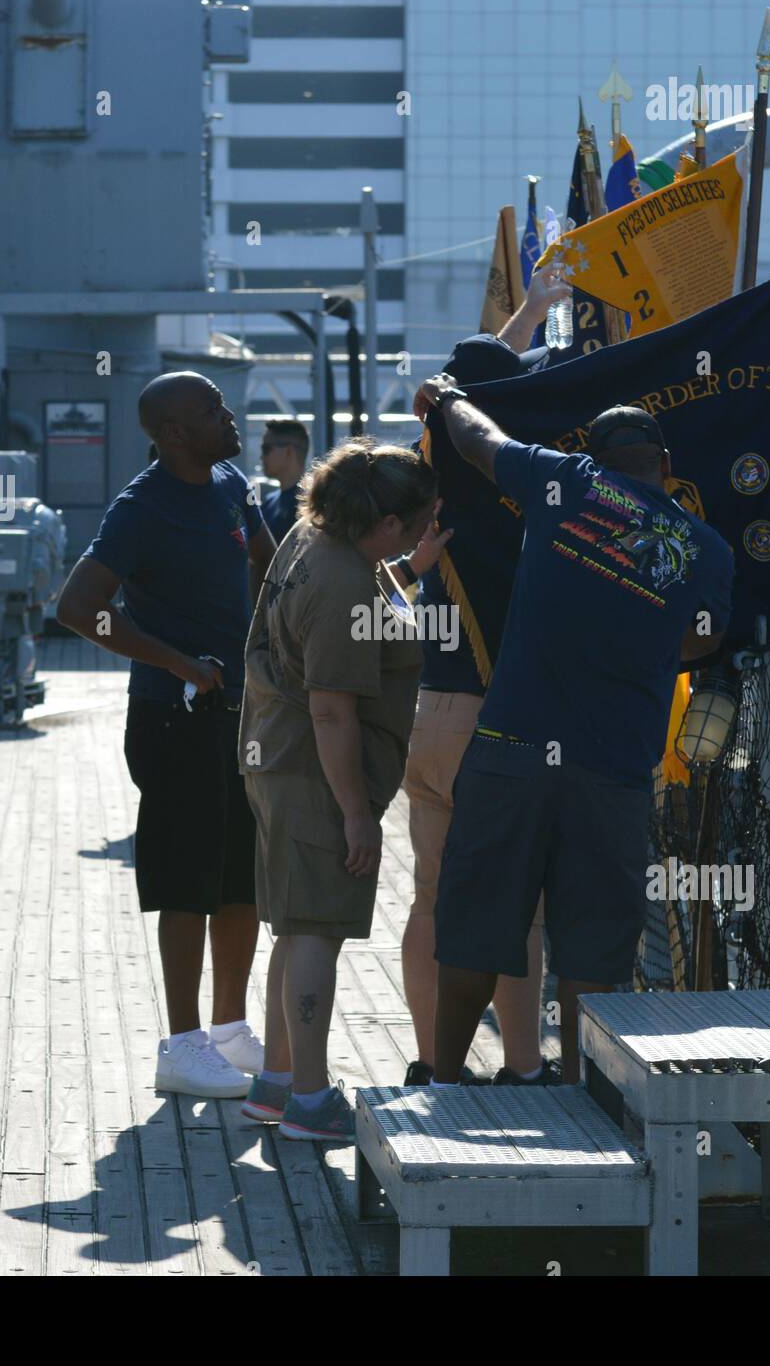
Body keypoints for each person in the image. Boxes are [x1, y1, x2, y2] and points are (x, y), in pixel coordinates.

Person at [414, 382, 735, 1085]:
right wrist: (640, 639)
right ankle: (576, 1091)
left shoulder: (563, 480)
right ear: (664, 464)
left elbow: (478, 441)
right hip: (612, 771)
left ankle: (444, 1076)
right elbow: (702, 641)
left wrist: (447, 398)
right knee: (591, 942)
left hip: (509, 754)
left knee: (477, 923)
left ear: (594, 455)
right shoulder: (706, 549)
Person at [56, 371, 277, 1100]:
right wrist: (178, 661)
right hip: (173, 715)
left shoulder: (232, 483)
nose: (229, 414)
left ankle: (227, 1030)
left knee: (241, 877)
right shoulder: (140, 509)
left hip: (242, 711)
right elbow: (78, 607)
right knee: (187, 882)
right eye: (212, 409)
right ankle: (181, 1046)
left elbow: (271, 565)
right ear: (175, 433)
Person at [401, 266, 577, 1087]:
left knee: (430, 900)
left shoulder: (423, 485)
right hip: (499, 722)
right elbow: (485, 391)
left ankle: (432, 1061)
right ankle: (521, 1066)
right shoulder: (533, 493)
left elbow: (464, 384)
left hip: (430, 717)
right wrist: (529, 320)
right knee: (517, 906)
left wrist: (528, 313)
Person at [238, 440, 439, 1140]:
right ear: (386, 523)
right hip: (314, 773)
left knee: (296, 926)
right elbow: (330, 709)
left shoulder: (311, 536)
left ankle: (276, 1083)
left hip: (277, 757)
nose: (423, 532)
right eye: (418, 524)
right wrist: (357, 814)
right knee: (317, 930)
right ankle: (311, 1100)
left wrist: (409, 570)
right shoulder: (343, 583)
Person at [259, 419, 310, 542]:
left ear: (288, 451)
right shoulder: (269, 502)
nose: (261, 457)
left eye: (266, 449)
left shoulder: (311, 504)